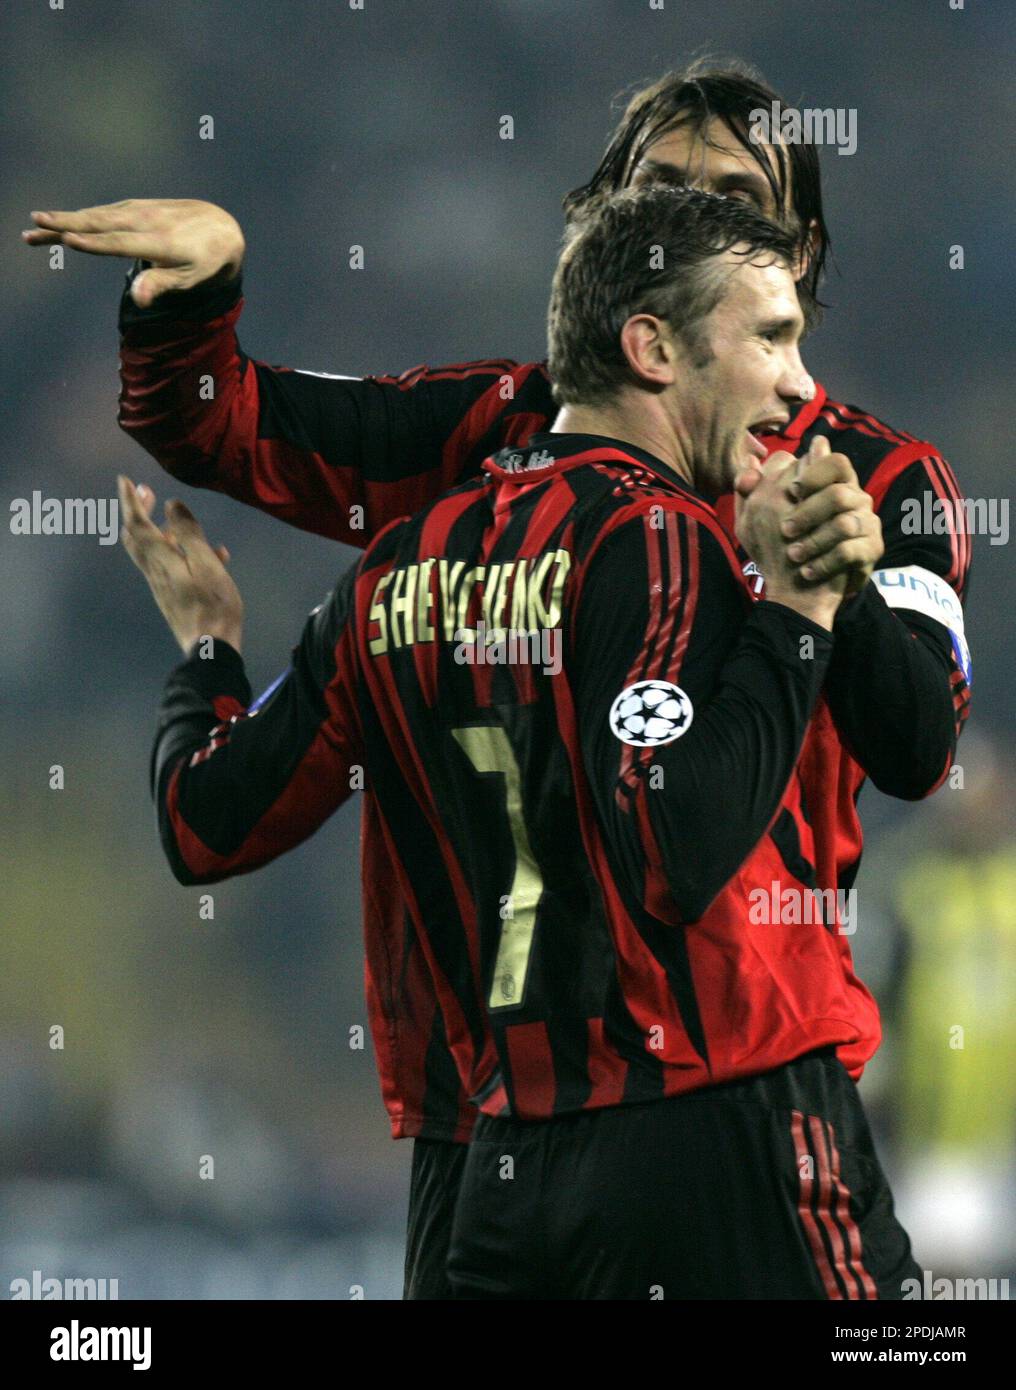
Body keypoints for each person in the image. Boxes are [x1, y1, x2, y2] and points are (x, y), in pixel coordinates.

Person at [23, 58, 968, 1298]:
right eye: (658, 191)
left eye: (732, 200)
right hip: (485, 1095)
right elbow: (230, 429)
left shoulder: (878, 479)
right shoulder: (504, 432)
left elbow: (916, 748)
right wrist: (183, 308)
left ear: (795, 252)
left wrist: (827, 595)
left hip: (718, 1058)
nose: (688, 220)